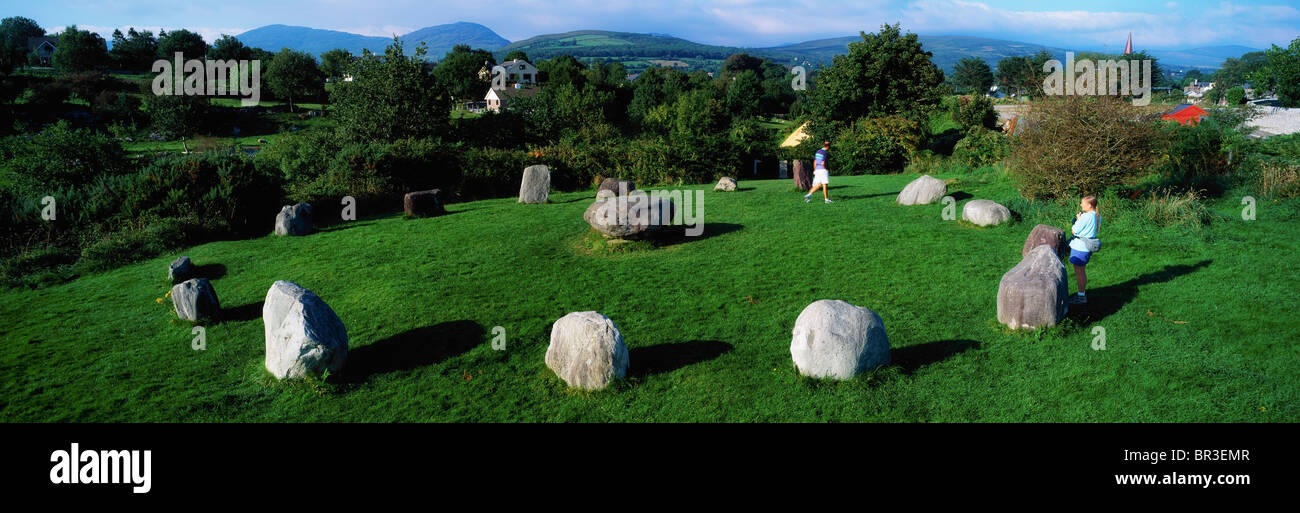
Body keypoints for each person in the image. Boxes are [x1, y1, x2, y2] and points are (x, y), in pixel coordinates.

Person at [1067, 195, 1101, 304]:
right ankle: (1081, 294)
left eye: (1083, 203)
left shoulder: (1085, 217)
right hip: (1086, 247)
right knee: (1081, 271)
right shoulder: (1096, 216)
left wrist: (1078, 219)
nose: (1081, 205)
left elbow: (1074, 231)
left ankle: (1081, 296)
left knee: (1079, 272)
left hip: (1080, 248)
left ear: (1089, 205)